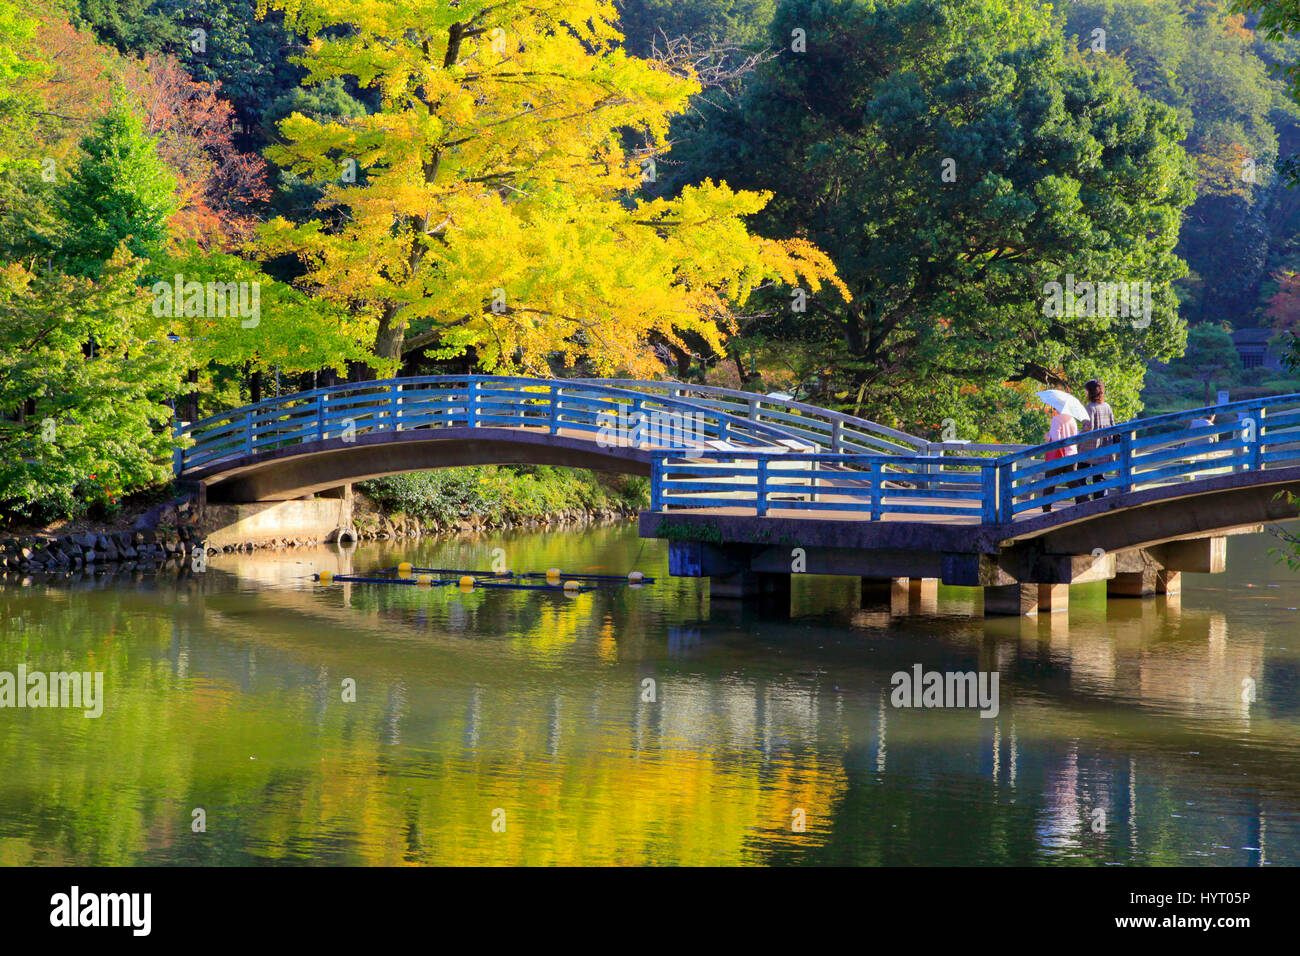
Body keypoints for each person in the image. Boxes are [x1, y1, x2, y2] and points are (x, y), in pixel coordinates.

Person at [1078, 379, 1116, 502]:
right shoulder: (1107, 407)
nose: (1085, 393)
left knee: (1080, 476)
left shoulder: (1090, 408)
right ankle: (1100, 502)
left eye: (1086, 391)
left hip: (1089, 448)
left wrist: (1079, 433)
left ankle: (1083, 501)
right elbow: (1113, 425)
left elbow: (1088, 427)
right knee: (1099, 476)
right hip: (1104, 446)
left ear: (1091, 392)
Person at [1041, 403, 1079, 513]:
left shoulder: (1056, 419)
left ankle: (1046, 508)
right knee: (1072, 482)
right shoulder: (1072, 419)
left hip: (1058, 455)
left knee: (1050, 481)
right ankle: (1083, 501)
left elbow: (1055, 439)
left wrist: (1047, 437)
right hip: (1072, 453)